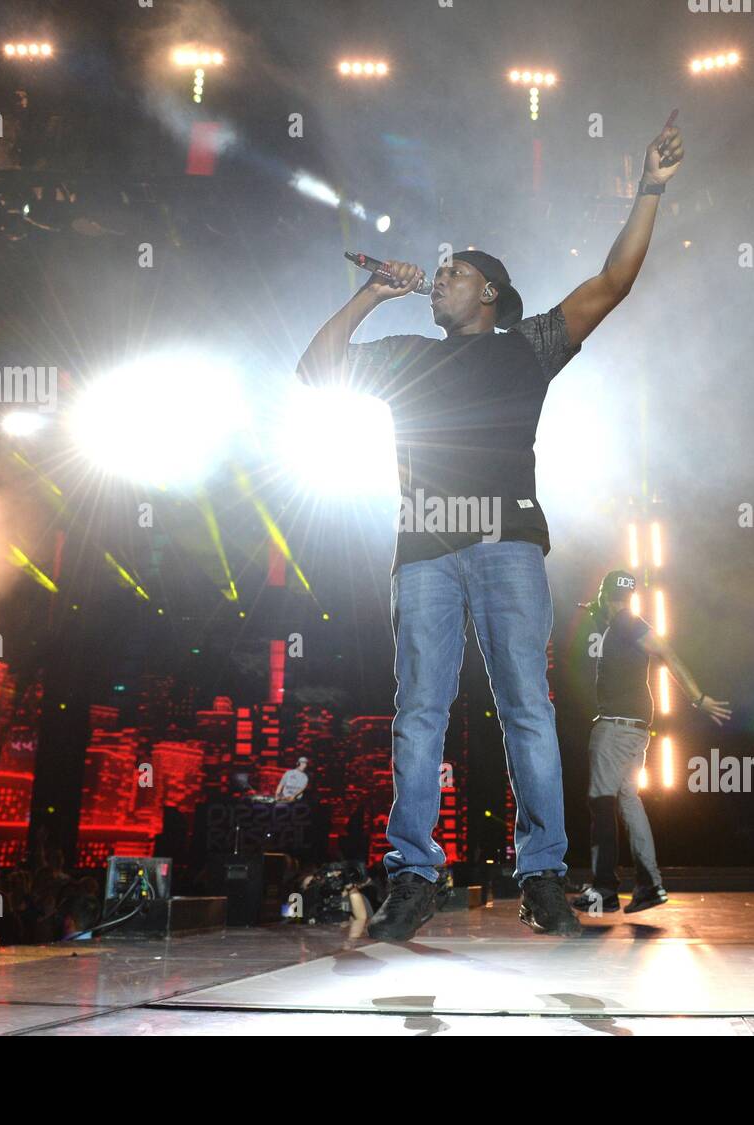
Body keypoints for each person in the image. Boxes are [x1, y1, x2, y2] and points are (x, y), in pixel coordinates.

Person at [296, 121, 686, 940]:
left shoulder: (526, 346)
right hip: (424, 554)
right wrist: (373, 295)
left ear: (491, 295)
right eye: (438, 272)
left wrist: (647, 189)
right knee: (418, 713)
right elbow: (315, 367)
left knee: (527, 710)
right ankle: (413, 876)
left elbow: (613, 280)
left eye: (455, 273)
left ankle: (543, 874)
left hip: (508, 545)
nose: (439, 279)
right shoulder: (407, 353)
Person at [573, 571, 730, 915]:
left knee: (601, 803)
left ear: (604, 594)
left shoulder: (628, 624)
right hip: (636, 729)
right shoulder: (620, 624)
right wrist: (595, 611)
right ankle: (650, 886)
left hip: (615, 727)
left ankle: (604, 890)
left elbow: (667, 653)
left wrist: (697, 697)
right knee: (630, 800)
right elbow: (611, 614)